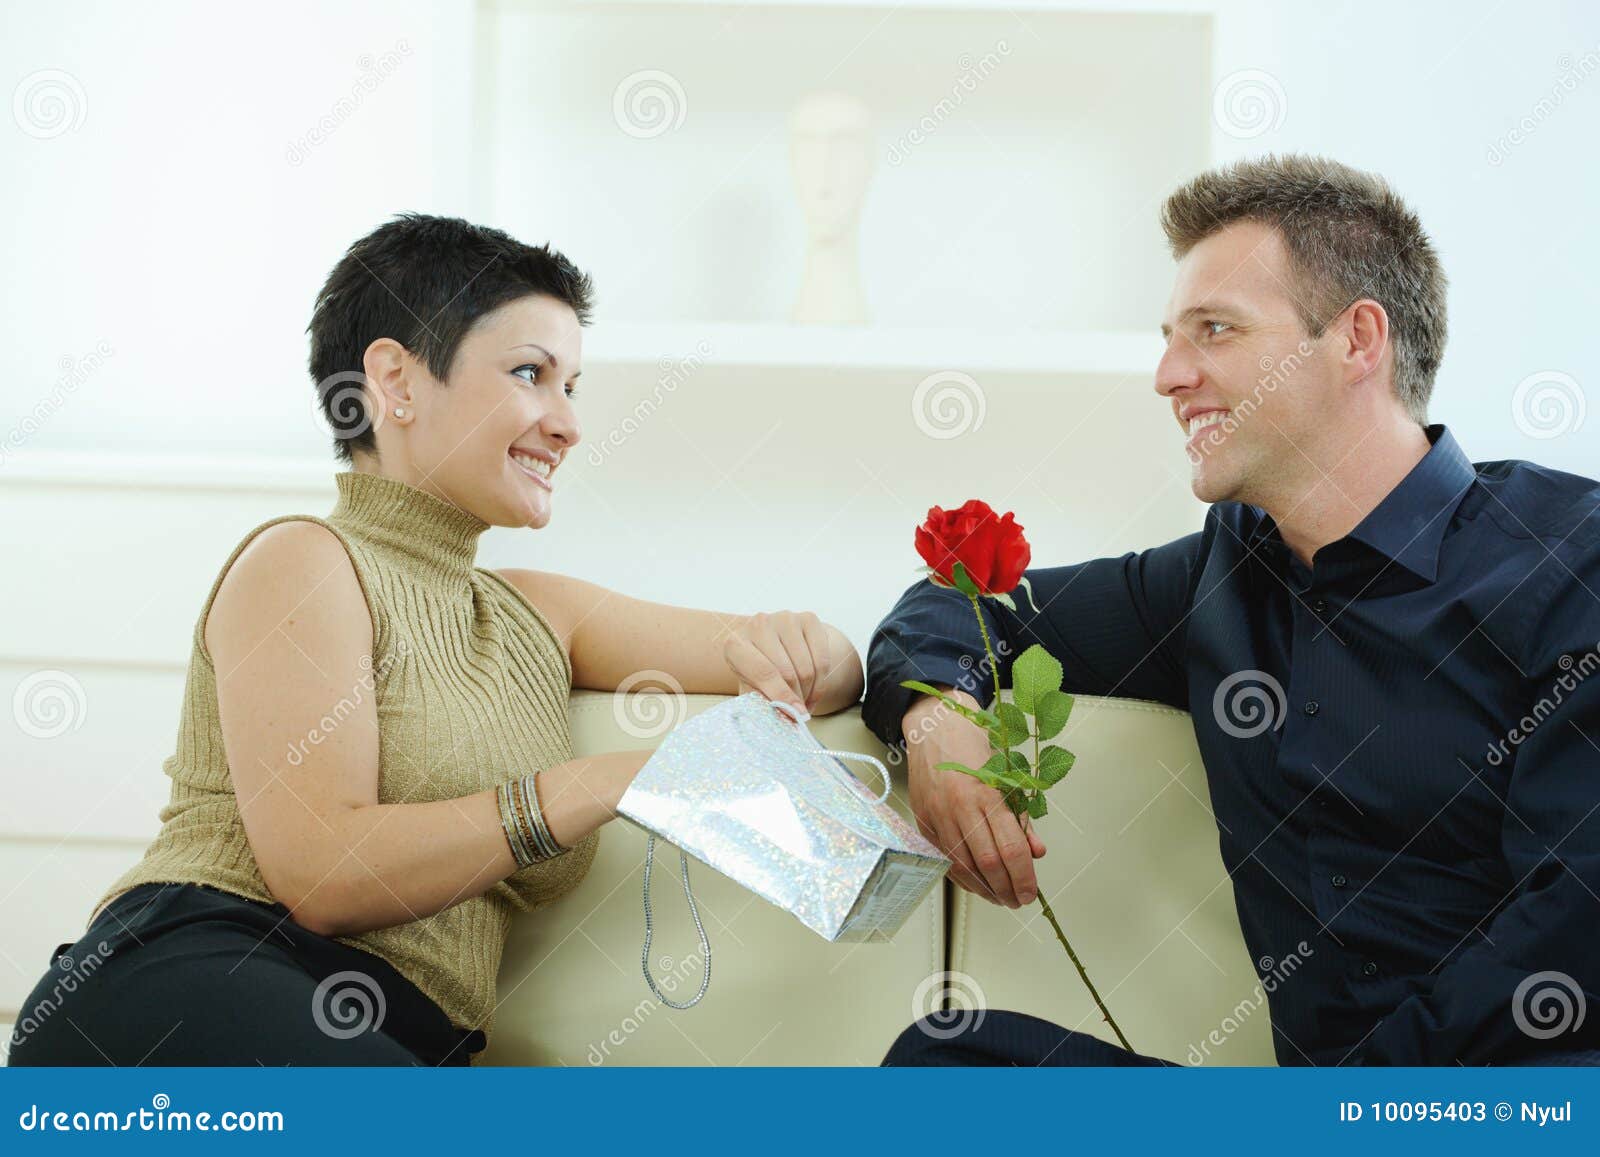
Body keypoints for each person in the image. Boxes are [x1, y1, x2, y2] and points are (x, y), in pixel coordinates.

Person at [7, 214, 863, 1067]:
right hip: (198, 981)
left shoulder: (541, 614)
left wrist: (807, 649)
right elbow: (325, 878)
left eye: (572, 387)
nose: (567, 424)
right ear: (397, 382)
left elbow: (814, 668)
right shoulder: (302, 562)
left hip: (394, 1043)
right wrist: (616, 779)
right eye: (531, 373)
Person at [865, 156, 1600, 1066]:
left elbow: (1572, 933)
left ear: (1357, 341)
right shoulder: (1216, 581)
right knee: (949, 1062)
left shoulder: (1575, 560)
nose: (1170, 375)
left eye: (1215, 329)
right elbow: (960, 606)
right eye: (1172, 336)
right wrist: (937, 720)